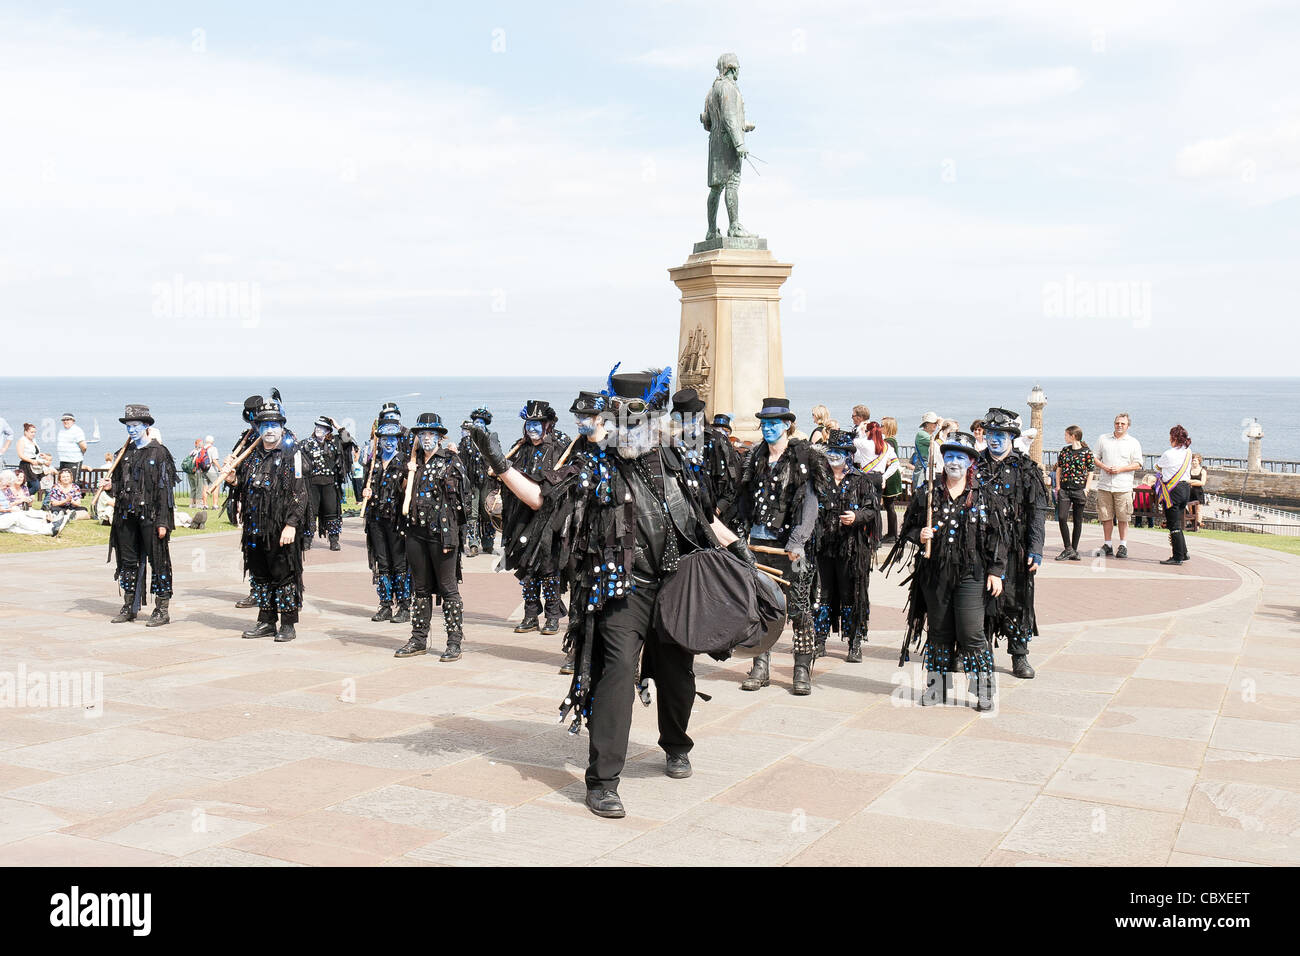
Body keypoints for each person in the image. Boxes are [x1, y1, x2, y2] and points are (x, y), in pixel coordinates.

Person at [466, 365, 737, 819]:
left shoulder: (676, 461)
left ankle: (676, 745)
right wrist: (499, 463)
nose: (627, 430)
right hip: (619, 590)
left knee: (677, 677)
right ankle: (603, 781)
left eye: (638, 420)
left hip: (675, 588)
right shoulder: (593, 466)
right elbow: (540, 499)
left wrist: (738, 551)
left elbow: (704, 519)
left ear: (653, 420)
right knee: (615, 676)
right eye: (620, 420)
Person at [885, 431, 1004, 710]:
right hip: (934, 573)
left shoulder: (983, 496)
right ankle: (937, 688)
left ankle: (983, 690)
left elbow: (998, 537)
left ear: (970, 462)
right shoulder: (928, 494)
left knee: (971, 632)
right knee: (938, 631)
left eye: (959, 457)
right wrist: (919, 534)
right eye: (949, 456)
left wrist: (996, 571)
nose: (953, 462)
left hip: (971, 574)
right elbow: (907, 530)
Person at [727, 397, 826, 695]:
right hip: (758, 542)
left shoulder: (803, 458)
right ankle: (760, 666)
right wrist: (742, 534)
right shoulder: (755, 457)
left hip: (791, 547)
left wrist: (797, 541)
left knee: (798, 608)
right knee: (760, 606)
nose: (768, 429)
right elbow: (744, 499)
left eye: (774, 424)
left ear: (786, 425)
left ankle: (801, 669)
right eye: (765, 424)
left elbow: (810, 504)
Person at [228, 400, 307, 642]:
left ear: (282, 427)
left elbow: (300, 492)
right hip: (254, 527)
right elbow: (244, 486)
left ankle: (288, 624)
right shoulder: (251, 456)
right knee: (260, 575)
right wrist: (232, 479)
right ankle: (266, 621)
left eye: (274, 425)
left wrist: (291, 524)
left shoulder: (292, 455)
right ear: (258, 428)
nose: (269, 430)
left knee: (284, 575)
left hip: (280, 527)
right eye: (264, 426)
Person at [977, 408, 1048, 681]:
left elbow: (1038, 511)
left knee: (1017, 600)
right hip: (980, 545)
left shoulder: (1027, 469)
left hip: (1016, 548)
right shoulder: (975, 466)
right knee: (978, 599)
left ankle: (1019, 654)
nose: (995, 439)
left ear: (1011, 437)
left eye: (1001, 435)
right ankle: (977, 651)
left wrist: (1036, 548)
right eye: (991, 434)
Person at [394, 413, 471, 661]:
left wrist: (458, 536)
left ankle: (454, 642)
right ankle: (418, 639)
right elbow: (401, 496)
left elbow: (463, 499)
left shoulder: (450, 460)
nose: (426, 438)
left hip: (442, 535)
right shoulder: (411, 462)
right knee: (420, 588)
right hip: (415, 532)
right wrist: (407, 475)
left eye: (431, 434)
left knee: (448, 589)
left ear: (439, 437)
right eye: (422, 434)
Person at [99, 405, 177, 626]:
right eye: (128, 427)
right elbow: (117, 486)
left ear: (146, 426)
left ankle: (162, 610)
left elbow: (164, 490)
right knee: (128, 561)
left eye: (135, 426)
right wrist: (108, 487)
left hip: (151, 516)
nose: (131, 431)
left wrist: (163, 522)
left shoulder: (159, 453)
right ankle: (129, 606)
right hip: (125, 515)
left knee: (158, 561)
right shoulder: (123, 454)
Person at [499, 400, 567, 636]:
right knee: (525, 564)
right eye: (529, 424)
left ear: (548, 425)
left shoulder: (561, 448)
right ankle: (530, 614)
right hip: (521, 515)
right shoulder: (519, 449)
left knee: (548, 566)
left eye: (537, 424)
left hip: (549, 516)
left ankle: (552, 616)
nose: (532, 429)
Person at [814, 429, 879, 663]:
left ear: (848, 454)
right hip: (823, 547)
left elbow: (872, 510)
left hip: (851, 549)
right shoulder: (819, 479)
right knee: (823, 594)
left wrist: (857, 516)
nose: (834, 456)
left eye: (839, 452)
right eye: (831, 451)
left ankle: (855, 642)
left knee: (850, 594)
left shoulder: (860, 480)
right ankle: (819, 640)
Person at [701, 52, 756, 240]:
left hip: (715, 142)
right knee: (732, 183)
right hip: (728, 144)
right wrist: (739, 142)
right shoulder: (729, 88)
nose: (739, 70)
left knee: (716, 188)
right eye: (738, 67)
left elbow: (707, 122)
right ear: (732, 67)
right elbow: (729, 116)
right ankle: (734, 227)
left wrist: (744, 125)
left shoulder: (711, 91)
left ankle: (711, 230)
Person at [362, 418, 411, 625]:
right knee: (382, 563)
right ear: (379, 441)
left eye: (392, 439)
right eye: (385, 439)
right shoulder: (373, 464)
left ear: (398, 440)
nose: (388, 443)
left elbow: (410, 492)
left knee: (399, 563)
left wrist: (408, 482)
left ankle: (404, 606)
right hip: (375, 520)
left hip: (396, 521)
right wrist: (365, 492)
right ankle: (385, 605)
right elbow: (367, 488)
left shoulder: (406, 463)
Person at [1094, 413, 1142, 558]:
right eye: (1117, 423)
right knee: (1105, 516)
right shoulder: (1103, 439)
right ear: (1114, 424)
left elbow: (1138, 463)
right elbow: (1094, 457)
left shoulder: (1133, 442)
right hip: (1105, 485)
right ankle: (1108, 544)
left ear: (1128, 426)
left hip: (1123, 486)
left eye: (1123, 423)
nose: (1119, 425)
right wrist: (1105, 467)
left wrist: (1120, 469)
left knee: (1123, 517)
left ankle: (1123, 545)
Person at [300, 416, 349, 551]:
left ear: (328, 430)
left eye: (322, 427)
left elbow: (348, 440)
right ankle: (307, 540)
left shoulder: (335, 443)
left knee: (331, 512)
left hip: (330, 483)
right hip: (312, 483)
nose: (318, 429)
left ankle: (334, 540)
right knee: (310, 512)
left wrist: (337, 425)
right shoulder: (306, 443)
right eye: (317, 426)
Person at [457, 406, 497, 557]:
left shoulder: (492, 439)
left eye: (481, 422)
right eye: (476, 422)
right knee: (472, 514)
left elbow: (499, 460)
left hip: (488, 481)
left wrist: (495, 472)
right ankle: (473, 544)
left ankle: (488, 544)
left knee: (487, 513)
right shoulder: (466, 441)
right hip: (472, 483)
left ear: (486, 423)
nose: (479, 424)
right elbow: (460, 462)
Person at [852, 418, 900, 543]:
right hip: (879, 478)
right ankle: (877, 538)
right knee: (876, 507)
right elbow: (895, 464)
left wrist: (860, 430)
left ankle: (866, 534)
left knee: (864, 506)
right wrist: (885, 476)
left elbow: (854, 441)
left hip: (866, 478)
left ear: (869, 432)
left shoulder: (865, 444)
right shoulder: (886, 446)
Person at [1053, 425, 1094, 560]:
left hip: (1079, 490)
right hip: (1065, 489)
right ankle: (1068, 548)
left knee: (1078, 520)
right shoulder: (1065, 451)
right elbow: (1059, 469)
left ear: (1073, 436)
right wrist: (1058, 486)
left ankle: (1074, 550)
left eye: (1066, 435)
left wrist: (1086, 489)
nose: (1065, 437)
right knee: (1062, 517)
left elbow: (1090, 471)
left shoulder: (1086, 452)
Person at [1155, 425, 1194, 565]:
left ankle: (1177, 557)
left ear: (1174, 438)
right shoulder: (1188, 452)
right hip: (1185, 489)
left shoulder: (1169, 453)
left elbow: (1157, 467)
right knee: (1177, 522)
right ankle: (1183, 552)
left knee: (1174, 525)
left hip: (1173, 491)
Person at [1, 472, 70, 536]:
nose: (7, 488)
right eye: (6, 485)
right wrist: (7, 510)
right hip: (4, 517)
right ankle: (51, 527)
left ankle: (51, 530)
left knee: (15, 528)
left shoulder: (2, 491)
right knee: (17, 517)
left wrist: (9, 509)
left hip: (6, 517)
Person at [704, 412, 743, 525]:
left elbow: (734, 484)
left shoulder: (731, 453)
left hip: (726, 509)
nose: (718, 433)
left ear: (728, 433)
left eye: (723, 430)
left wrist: (720, 507)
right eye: (716, 429)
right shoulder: (707, 446)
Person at [879, 416, 904, 543]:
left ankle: (892, 534)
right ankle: (892, 533)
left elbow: (889, 460)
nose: (880, 427)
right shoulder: (891, 440)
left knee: (889, 505)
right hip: (892, 476)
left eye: (882, 425)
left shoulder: (889, 441)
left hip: (890, 477)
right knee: (889, 505)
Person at [16, 423, 49, 502]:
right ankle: (21, 498)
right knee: (36, 486)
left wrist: (42, 455)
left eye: (34, 432)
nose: (33, 434)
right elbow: (20, 455)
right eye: (31, 432)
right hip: (27, 465)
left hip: (36, 465)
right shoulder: (22, 440)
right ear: (26, 432)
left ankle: (26, 503)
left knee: (31, 485)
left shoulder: (33, 440)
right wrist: (31, 461)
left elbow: (35, 453)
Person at [912, 411, 941, 493]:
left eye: (936, 423)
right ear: (927, 424)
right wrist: (942, 427)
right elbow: (938, 443)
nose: (936, 425)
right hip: (922, 470)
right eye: (934, 423)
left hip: (928, 469)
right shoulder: (921, 434)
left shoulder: (930, 436)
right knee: (921, 494)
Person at [56, 414, 87, 480]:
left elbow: (84, 446)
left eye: (68, 419)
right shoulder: (61, 430)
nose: (65, 421)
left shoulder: (77, 430)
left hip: (74, 461)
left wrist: (79, 454)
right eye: (64, 420)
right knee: (62, 481)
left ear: (73, 421)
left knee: (73, 481)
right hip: (63, 460)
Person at [200, 436, 222, 510]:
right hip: (211, 469)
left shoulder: (202, 449)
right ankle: (215, 505)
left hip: (203, 470)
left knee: (205, 487)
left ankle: (205, 505)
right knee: (216, 486)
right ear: (212, 441)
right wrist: (220, 469)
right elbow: (214, 460)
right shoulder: (213, 449)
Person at [182, 439, 204, 507]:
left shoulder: (192, 452)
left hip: (189, 472)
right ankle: (198, 503)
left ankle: (191, 503)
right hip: (196, 471)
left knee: (193, 488)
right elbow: (199, 462)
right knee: (199, 487)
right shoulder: (199, 452)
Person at [1188, 454, 1207, 531]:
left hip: (1198, 492)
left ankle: (1197, 526)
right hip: (1190, 491)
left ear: (1199, 461)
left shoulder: (1202, 471)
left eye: (1195, 460)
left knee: (1198, 510)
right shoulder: (1189, 470)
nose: (1193, 462)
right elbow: (1186, 480)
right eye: (1192, 460)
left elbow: (1202, 483)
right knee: (1191, 510)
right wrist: (1196, 481)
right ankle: (1192, 524)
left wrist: (1191, 482)